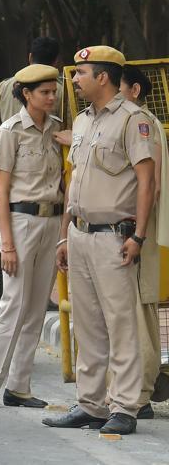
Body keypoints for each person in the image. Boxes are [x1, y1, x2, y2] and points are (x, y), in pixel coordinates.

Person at [43, 46, 155, 436]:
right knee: (87, 324)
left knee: (120, 324)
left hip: (114, 237)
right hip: (80, 234)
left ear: (103, 77)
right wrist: (64, 236)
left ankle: (124, 406)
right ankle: (91, 404)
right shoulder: (83, 121)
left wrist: (138, 236)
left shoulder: (133, 120)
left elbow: (147, 182)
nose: (74, 79)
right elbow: (74, 183)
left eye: (81, 73)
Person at [0, 64, 63, 408]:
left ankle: (19, 386)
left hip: (52, 220)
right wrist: (7, 244)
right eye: (45, 92)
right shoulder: (10, 131)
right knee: (13, 304)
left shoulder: (57, 129)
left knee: (37, 308)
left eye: (54, 91)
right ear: (26, 94)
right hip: (21, 221)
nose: (51, 97)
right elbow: (1, 190)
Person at [116, 64, 168, 419]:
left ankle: (140, 393)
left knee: (138, 311)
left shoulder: (142, 124)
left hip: (138, 232)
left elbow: (153, 184)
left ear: (134, 91)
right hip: (134, 231)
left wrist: (137, 232)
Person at [0, 37, 63, 136]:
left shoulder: (5, 85)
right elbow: (69, 128)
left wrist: (8, 135)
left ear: (30, 57)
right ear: (56, 61)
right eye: (45, 92)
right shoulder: (60, 89)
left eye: (52, 92)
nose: (51, 97)